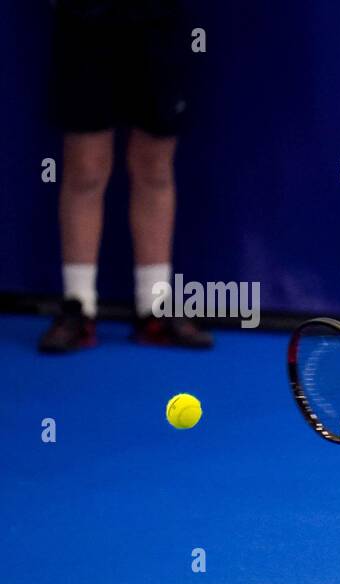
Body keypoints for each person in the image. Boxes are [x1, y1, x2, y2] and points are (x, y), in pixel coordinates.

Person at [39, 0, 212, 353]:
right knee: (85, 168)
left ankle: (155, 307)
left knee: (155, 165)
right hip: (84, 20)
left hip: (159, 22)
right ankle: (78, 306)